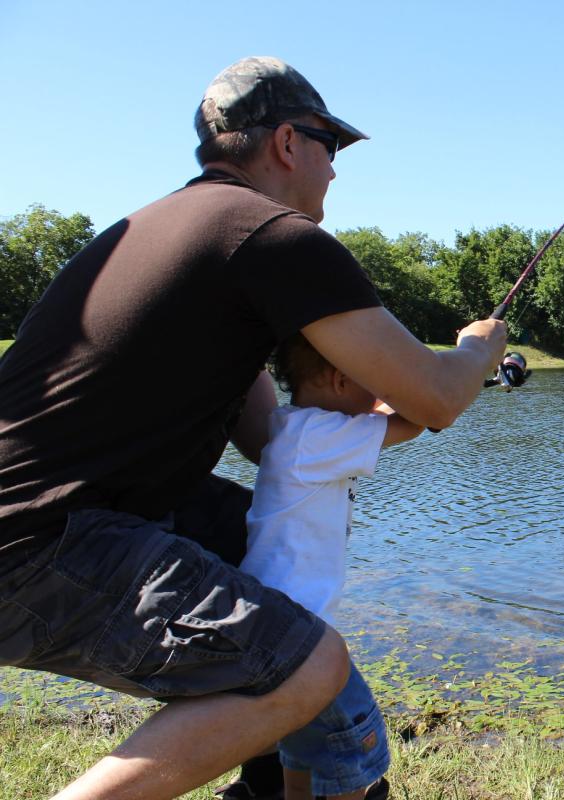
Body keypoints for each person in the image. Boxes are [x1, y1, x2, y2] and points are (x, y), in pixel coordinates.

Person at [0, 56, 508, 800]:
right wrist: (478, 350)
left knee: (258, 552)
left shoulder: (164, 229)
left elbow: (272, 445)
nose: (334, 169)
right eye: (331, 146)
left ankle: (272, 784)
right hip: (41, 543)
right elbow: (436, 399)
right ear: (287, 142)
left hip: (45, 523)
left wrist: (341, 447)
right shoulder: (273, 235)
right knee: (309, 664)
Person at [238, 334, 420, 800]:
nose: (379, 394)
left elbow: (379, 415)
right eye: (373, 382)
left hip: (275, 630)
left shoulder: (298, 428)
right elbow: (419, 417)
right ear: (340, 380)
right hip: (298, 635)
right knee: (352, 746)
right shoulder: (321, 438)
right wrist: (470, 356)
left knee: (305, 749)